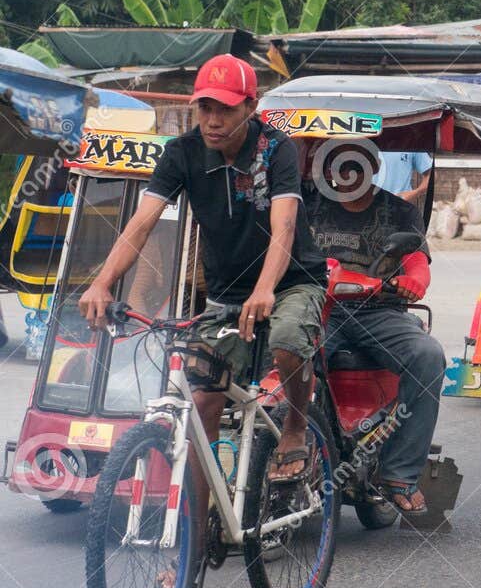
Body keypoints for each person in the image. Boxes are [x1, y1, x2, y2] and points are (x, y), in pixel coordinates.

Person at [79, 55, 327, 549]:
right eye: (204, 108)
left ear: (251, 107)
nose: (212, 120)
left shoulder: (275, 150)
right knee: (202, 404)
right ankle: (195, 534)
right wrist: (103, 281)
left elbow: (283, 228)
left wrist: (265, 289)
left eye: (225, 109)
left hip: (291, 281)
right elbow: (142, 223)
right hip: (225, 294)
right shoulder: (183, 153)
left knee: (284, 340)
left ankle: (296, 426)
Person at [304, 144, 445, 516]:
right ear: (328, 167)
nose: (348, 170)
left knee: (428, 357)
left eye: (357, 162)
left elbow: (416, 260)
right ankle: (289, 450)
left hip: (377, 311)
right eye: (340, 161)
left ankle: (400, 473)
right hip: (318, 308)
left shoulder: (398, 211)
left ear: (373, 166)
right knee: (289, 352)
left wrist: (415, 279)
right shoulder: (307, 203)